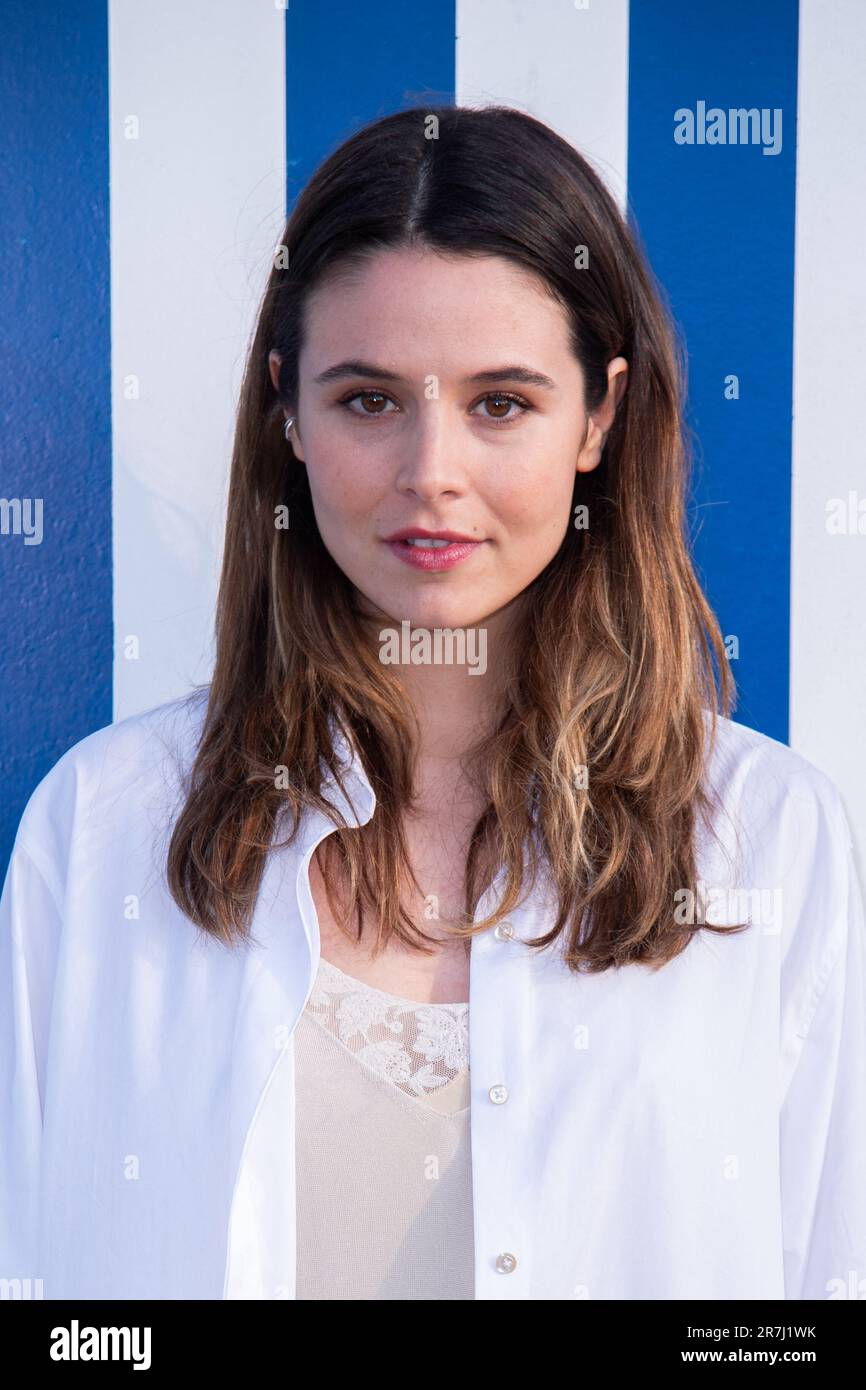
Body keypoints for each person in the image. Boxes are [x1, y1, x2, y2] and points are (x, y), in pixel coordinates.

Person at [1, 104, 864, 1302]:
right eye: (367, 399)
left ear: (598, 419)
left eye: (500, 402)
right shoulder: (99, 832)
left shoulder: (772, 840)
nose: (431, 474)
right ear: (286, 410)